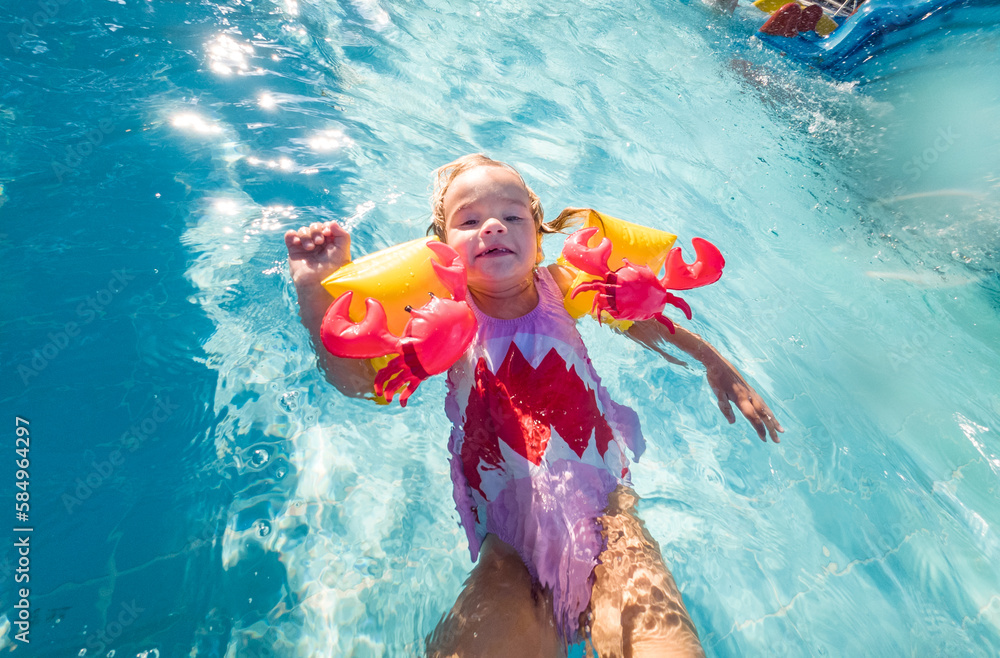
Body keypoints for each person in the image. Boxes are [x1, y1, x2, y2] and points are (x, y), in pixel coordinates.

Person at [285, 154, 783, 657]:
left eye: (513, 216)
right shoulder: (439, 321)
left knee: (658, 638)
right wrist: (315, 297)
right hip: (507, 542)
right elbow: (361, 383)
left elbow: (644, 320)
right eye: (471, 220)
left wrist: (713, 361)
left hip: (608, 515)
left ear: (540, 235)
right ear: (442, 248)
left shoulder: (565, 288)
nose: (493, 225)